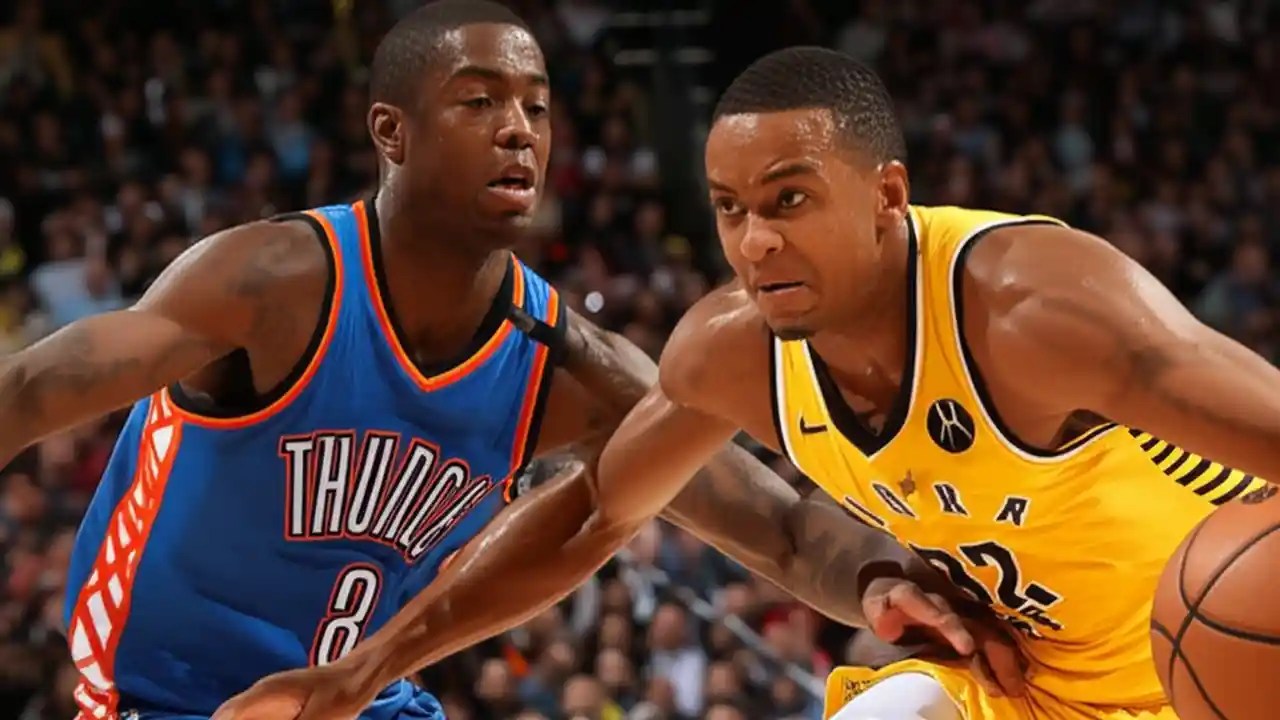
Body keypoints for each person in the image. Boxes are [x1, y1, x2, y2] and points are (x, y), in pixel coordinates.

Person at [0, 6, 1009, 720]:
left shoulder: (562, 362)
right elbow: (31, 392)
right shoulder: (276, 281)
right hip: (166, 697)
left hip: (367, 701)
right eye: (478, 101)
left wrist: (882, 578)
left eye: (534, 105)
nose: (518, 128)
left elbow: (781, 530)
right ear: (391, 132)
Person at [590, 47, 1280, 720]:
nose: (754, 242)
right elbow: (646, 509)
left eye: (789, 199)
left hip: (1215, 683)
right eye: (730, 209)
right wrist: (879, 579)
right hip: (1019, 694)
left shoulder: (1031, 309)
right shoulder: (736, 352)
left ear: (887, 195)